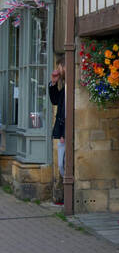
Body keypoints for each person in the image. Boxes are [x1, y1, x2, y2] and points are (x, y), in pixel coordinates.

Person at [48, 57, 66, 201]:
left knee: (62, 165)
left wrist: (64, 133)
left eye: (59, 67)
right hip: (62, 133)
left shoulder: (70, 85)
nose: (58, 70)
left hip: (65, 134)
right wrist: (53, 83)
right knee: (61, 166)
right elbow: (55, 101)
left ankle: (68, 197)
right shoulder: (65, 86)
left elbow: (68, 113)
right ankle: (68, 196)